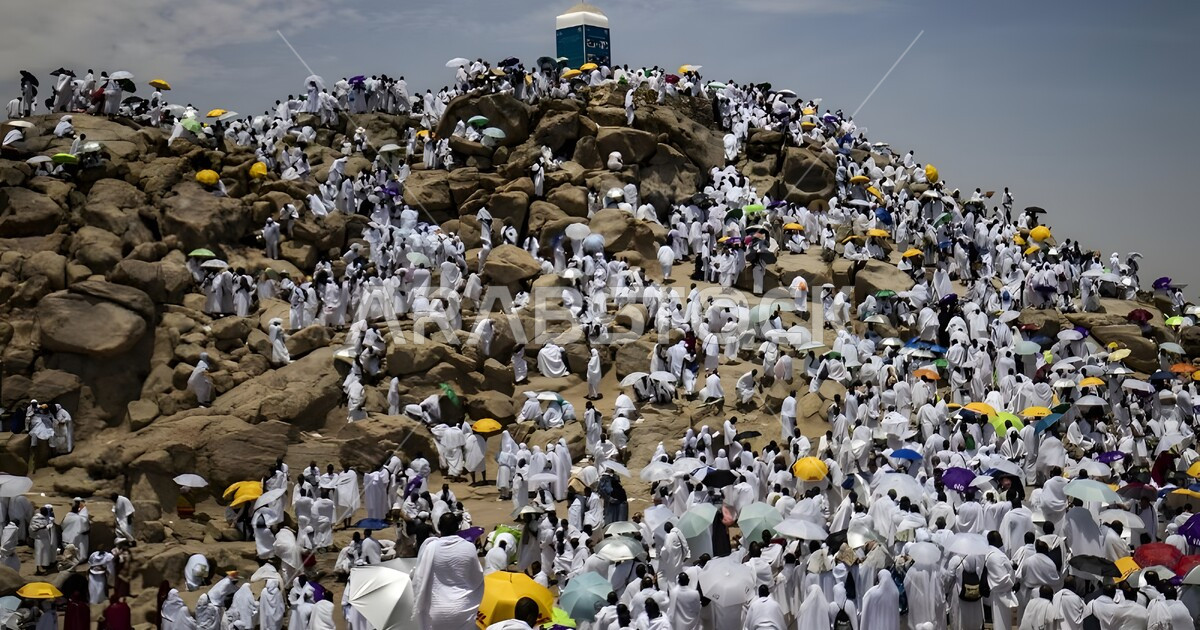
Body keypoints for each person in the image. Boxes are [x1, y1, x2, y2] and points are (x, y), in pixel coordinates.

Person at [412, 513, 484, 630]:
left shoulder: (431, 548)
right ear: (458, 527)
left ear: (438, 527)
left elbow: (420, 577)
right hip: (463, 608)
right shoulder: (469, 547)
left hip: (437, 610)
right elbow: (477, 578)